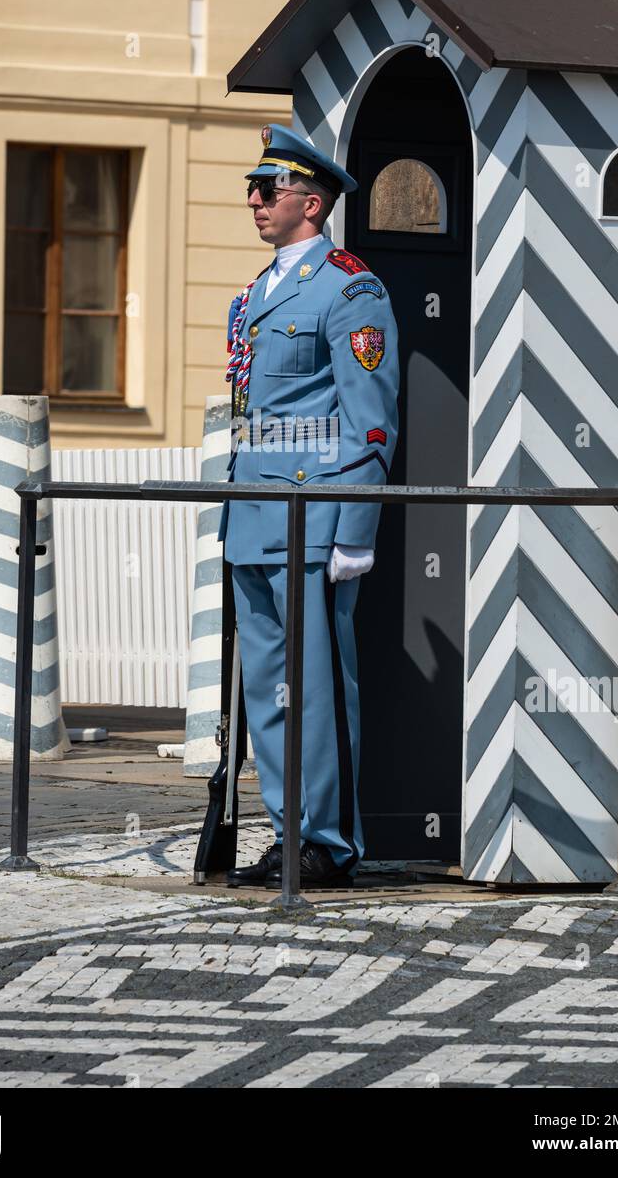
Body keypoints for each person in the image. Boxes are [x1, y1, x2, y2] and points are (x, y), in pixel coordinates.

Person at [218, 123, 399, 889]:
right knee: (269, 688)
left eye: (271, 189)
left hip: (312, 519)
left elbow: (371, 416)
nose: (255, 200)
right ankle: (286, 831)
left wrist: (355, 524)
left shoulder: (348, 287)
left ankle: (326, 841)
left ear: (312, 202)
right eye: (253, 189)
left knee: (317, 690)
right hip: (254, 513)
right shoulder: (254, 293)